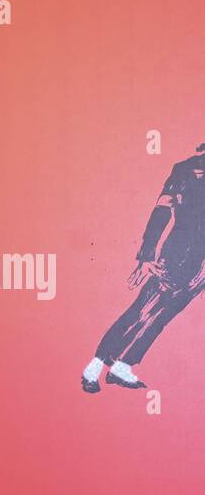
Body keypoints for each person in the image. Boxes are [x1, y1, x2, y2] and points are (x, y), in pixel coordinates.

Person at [80, 144, 205, 393]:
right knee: (141, 310)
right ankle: (94, 367)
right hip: (177, 256)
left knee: (163, 317)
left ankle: (122, 366)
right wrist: (147, 255)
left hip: (201, 267)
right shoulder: (186, 169)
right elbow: (161, 210)